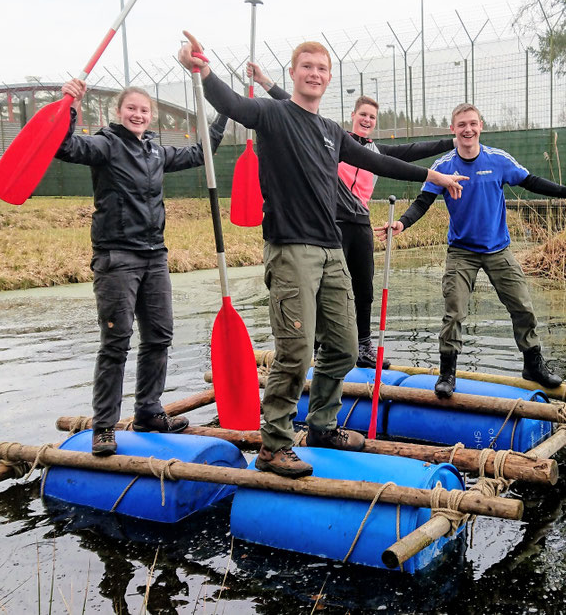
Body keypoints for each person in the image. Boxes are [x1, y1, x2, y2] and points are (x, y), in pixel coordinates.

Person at [177, 32, 467, 478]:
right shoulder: (272, 115)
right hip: (290, 250)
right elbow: (234, 104)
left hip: (332, 250)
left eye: (322, 69)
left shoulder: (332, 131)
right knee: (294, 353)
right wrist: (204, 70)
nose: (314, 74)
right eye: (307, 67)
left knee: (345, 348)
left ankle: (322, 426)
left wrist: (434, 175)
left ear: (329, 79)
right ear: (293, 74)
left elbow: (380, 163)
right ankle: (274, 444)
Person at [377, 103, 566, 398]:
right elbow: (423, 201)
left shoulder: (498, 160)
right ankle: (448, 373)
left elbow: (531, 181)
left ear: (480, 126)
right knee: (454, 312)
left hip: (498, 249)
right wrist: (402, 224)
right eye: (462, 125)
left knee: (523, 306)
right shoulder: (443, 166)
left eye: (472, 124)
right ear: (453, 130)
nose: (468, 129)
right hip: (461, 251)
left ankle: (533, 365)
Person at [55, 79, 229, 456]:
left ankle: (149, 410)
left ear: (151, 117)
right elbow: (65, 147)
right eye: (131, 109)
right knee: (116, 342)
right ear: (119, 113)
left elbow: (202, 153)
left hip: (155, 256)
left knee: (160, 335)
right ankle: (104, 426)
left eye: (144, 110)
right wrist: (69, 107)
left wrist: (223, 115)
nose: (137, 114)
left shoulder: (155, 151)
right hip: (116, 257)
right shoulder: (105, 144)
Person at [247, 62, 455, 369]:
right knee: (322, 288)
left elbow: (416, 148)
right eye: (363, 115)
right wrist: (265, 82)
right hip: (331, 224)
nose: (367, 120)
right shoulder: (332, 141)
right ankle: (317, 346)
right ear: (353, 118)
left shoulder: (377, 152)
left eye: (372, 117)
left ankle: (363, 345)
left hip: (361, 226)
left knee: (364, 288)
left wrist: (455, 141)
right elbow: (292, 109)